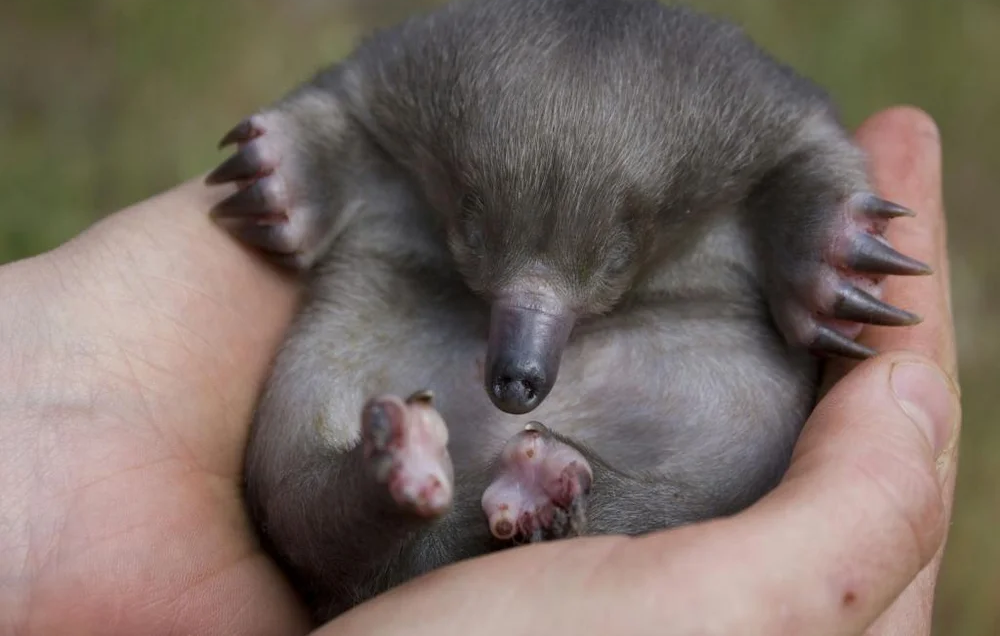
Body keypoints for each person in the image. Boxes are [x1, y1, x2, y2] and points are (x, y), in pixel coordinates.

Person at [0, 106, 959, 636]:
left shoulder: (741, 125)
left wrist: (815, 232)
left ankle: (494, 508)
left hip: (644, 484)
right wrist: (317, 154)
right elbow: (365, 101)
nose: (523, 368)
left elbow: (795, 148)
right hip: (344, 518)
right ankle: (401, 493)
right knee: (319, 496)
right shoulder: (437, 96)